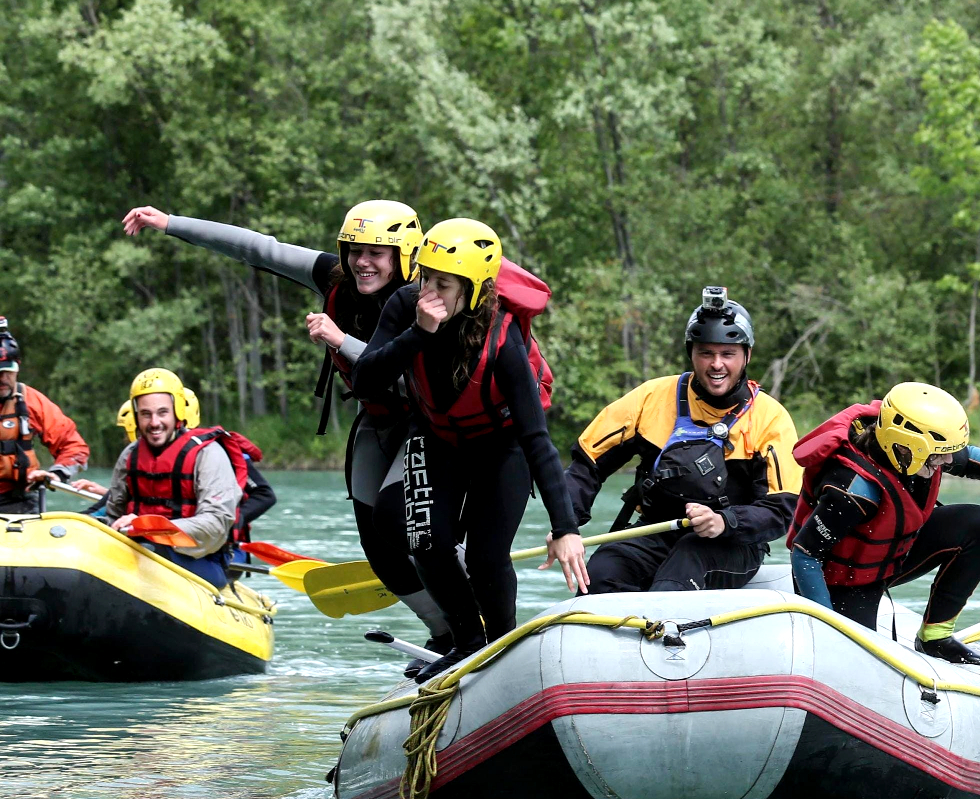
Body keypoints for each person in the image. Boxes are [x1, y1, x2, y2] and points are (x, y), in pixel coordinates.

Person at [121, 201, 451, 647]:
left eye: (376, 252)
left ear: (404, 254)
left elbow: (407, 377)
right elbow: (260, 250)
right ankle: (446, 636)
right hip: (375, 423)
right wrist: (171, 223)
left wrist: (341, 340)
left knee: (400, 525)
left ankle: (475, 617)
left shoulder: (428, 299)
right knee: (379, 549)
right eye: (355, 250)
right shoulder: (337, 278)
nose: (362, 262)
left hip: (425, 426)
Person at [353, 217, 585, 680]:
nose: (429, 292)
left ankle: (502, 645)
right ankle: (466, 640)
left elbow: (537, 438)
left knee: (485, 558)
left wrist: (566, 528)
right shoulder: (406, 306)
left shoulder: (505, 339)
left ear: (474, 289)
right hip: (439, 437)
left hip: (502, 448)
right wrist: (418, 332)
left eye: (443, 283)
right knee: (401, 522)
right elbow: (365, 378)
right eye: (425, 278)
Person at [564, 288, 801, 593]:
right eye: (706, 353)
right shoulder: (651, 397)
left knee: (683, 565)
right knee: (597, 576)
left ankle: (666, 628)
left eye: (727, 354)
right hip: (655, 530)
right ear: (692, 353)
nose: (716, 364)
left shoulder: (771, 418)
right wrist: (566, 525)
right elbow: (587, 463)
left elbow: (781, 510)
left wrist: (725, 521)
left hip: (731, 543)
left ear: (747, 356)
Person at [786, 382, 980, 665]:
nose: (949, 460)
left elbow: (968, 457)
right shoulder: (853, 490)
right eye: (941, 454)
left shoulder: (912, 450)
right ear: (907, 446)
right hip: (844, 581)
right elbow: (805, 553)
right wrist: (826, 625)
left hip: (892, 555)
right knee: (856, 662)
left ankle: (935, 638)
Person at [101, 369, 261, 588]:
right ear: (137, 415)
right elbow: (113, 515)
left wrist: (148, 529)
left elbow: (216, 524)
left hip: (200, 560)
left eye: (162, 413)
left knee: (152, 552)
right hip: (138, 552)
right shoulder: (130, 455)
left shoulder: (208, 455)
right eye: (146, 414)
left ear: (177, 411)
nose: (154, 422)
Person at [0, 316, 90, 514]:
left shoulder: (30, 401)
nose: (3, 378)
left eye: (9, 371)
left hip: (19, 501)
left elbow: (74, 446)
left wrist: (57, 473)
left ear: (18, 366)